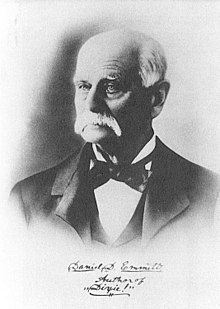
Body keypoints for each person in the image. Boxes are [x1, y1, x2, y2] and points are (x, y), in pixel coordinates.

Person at [10, 29, 220, 253]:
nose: (90, 105)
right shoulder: (26, 199)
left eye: (111, 87)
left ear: (156, 98)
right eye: (83, 87)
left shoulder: (211, 195)